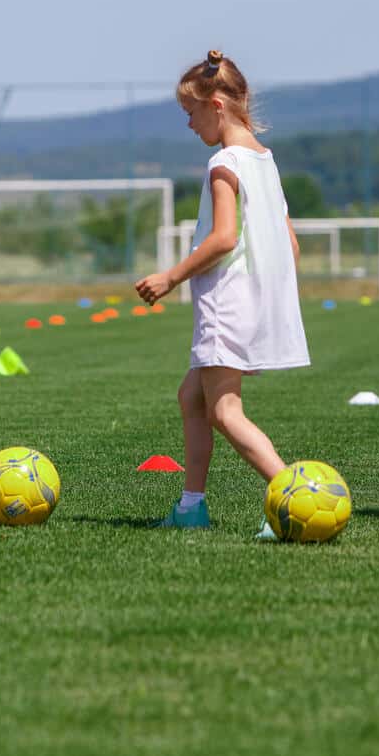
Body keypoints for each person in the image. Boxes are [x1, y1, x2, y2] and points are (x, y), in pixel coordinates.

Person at [135, 51, 309, 535]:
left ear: (215, 105)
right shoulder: (265, 162)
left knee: (225, 411)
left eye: (190, 114)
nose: (189, 125)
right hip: (250, 305)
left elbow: (224, 237)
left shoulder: (224, 163)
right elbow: (289, 243)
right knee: (191, 397)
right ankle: (192, 507)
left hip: (225, 306)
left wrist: (170, 277)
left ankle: (295, 496)